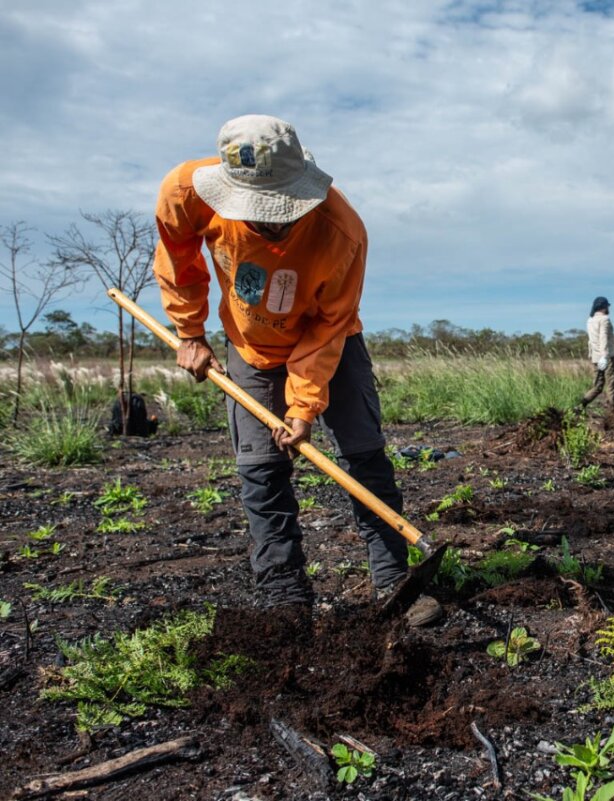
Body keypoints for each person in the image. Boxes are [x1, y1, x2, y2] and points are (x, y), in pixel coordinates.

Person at [152, 114, 439, 625]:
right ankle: (284, 595)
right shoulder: (186, 191)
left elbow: (327, 329)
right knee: (261, 472)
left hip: (332, 342)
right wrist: (189, 332)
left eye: (280, 211)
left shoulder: (341, 232)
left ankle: (394, 581)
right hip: (250, 346)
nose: (269, 222)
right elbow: (178, 256)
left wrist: (303, 406)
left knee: (362, 454)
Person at [579, 296, 614, 412]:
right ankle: (612, 412)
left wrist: (593, 356)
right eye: (607, 306)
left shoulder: (589, 320)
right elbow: (603, 338)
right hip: (608, 357)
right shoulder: (605, 319)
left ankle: (579, 406)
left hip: (596, 358)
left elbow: (590, 341)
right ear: (603, 307)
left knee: (597, 386)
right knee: (611, 384)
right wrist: (605, 356)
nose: (608, 308)